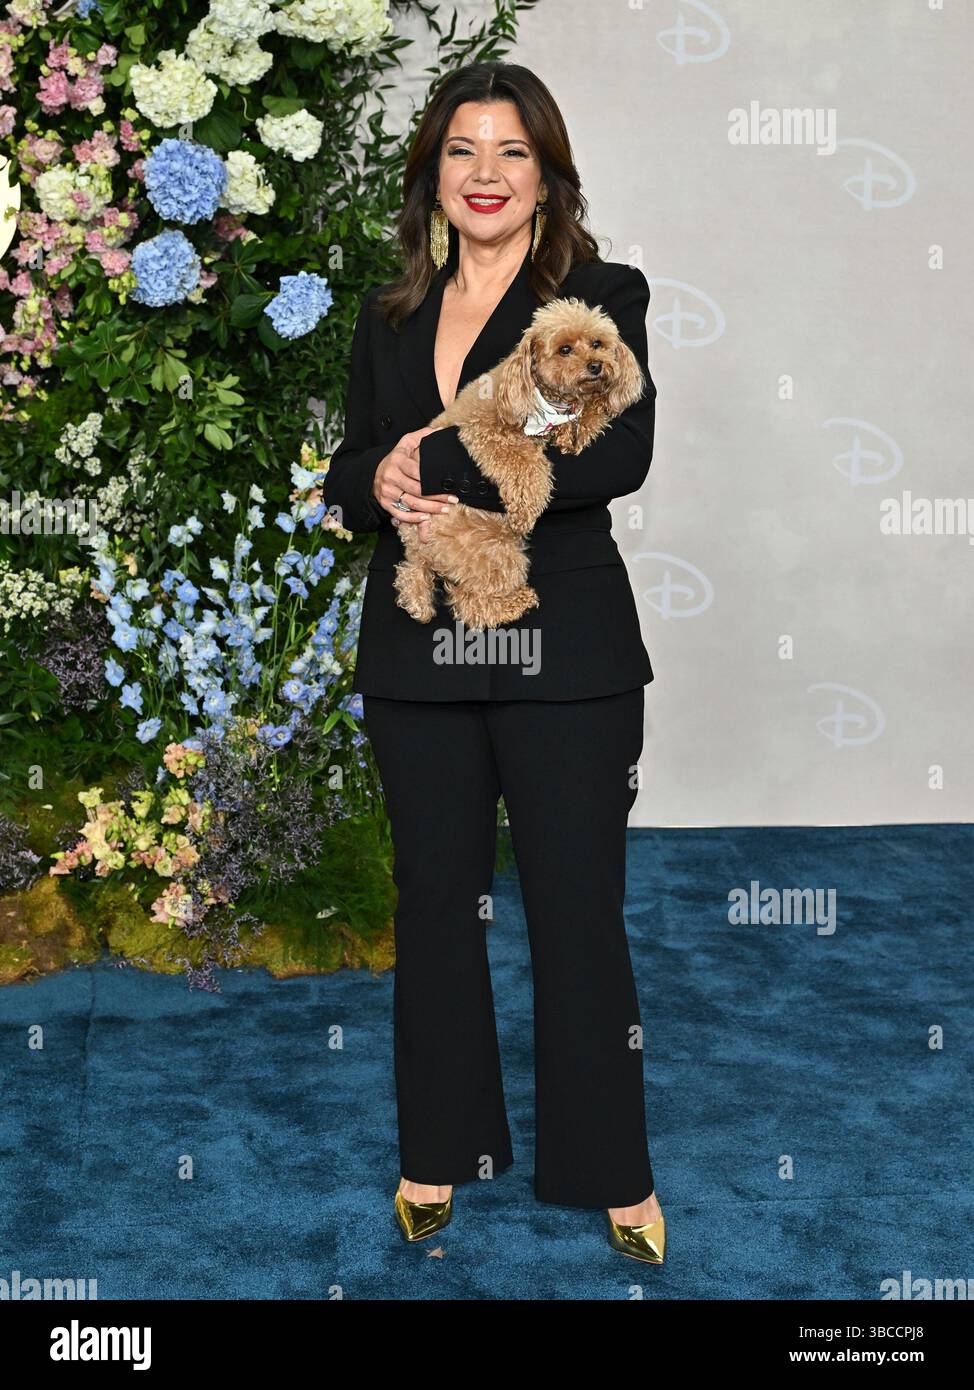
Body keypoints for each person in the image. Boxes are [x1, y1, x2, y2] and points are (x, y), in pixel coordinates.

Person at [321, 61, 665, 1265]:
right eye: (461, 150)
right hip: (417, 649)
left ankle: (610, 1171)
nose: (483, 174)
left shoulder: (599, 294)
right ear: (432, 174)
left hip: (560, 647)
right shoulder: (388, 314)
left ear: (544, 175)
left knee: (577, 909)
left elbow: (614, 458)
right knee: (436, 906)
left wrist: (445, 467)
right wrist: (371, 476)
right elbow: (352, 461)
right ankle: (441, 1152)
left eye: (509, 151)